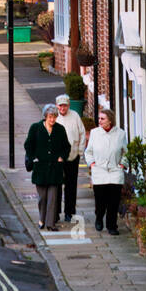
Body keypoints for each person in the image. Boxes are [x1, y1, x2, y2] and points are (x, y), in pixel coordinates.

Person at [24, 103, 70, 231]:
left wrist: (62, 157)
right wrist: (33, 158)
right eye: (50, 117)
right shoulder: (35, 128)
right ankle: (41, 219)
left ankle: (50, 223)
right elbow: (28, 145)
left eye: (54, 117)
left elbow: (67, 147)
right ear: (45, 116)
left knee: (52, 198)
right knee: (42, 198)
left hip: (55, 169)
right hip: (40, 169)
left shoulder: (60, 129)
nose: (52, 120)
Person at [84, 107, 127, 234]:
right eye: (99, 118)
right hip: (99, 171)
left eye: (102, 119)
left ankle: (112, 226)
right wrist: (91, 164)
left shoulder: (120, 134)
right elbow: (89, 151)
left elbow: (126, 152)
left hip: (115, 171)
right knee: (100, 200)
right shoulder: (95, 133)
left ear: (110, 121)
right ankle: (99, 218)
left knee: (113, 201)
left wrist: (122, 164)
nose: (100, 121)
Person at [55, 93, 87, 223]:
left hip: (73, 157)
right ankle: (55, 212)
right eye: (60, 105)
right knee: (56, 186)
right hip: (57, 159)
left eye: (65, 105)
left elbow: (82, 134)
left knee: (71, 186)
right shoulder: (54, 117)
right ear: (57, 105)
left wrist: (80, 152)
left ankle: (69, 212)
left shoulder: (75, 116)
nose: (63, 108)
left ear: (68, 105)